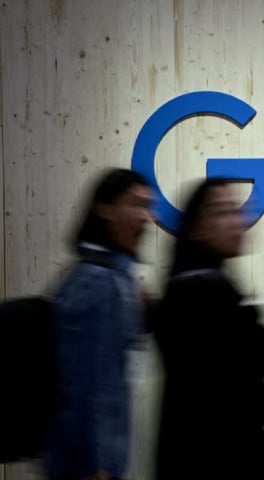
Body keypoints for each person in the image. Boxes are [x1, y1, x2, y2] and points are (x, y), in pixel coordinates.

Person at [153, 178, 264, 480]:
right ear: (197, 227)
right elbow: (238, 381)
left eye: (237, 211)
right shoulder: (200, 291)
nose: (237, 222)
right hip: (215, 461)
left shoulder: (202, 284)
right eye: (223, 212)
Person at [43, 168, 153, 480]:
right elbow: (88, 386)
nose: (146, 217)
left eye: (148, 207)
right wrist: (96, 467)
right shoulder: (100, 282)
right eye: (135, 204)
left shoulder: (115, 278)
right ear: (104, 209)